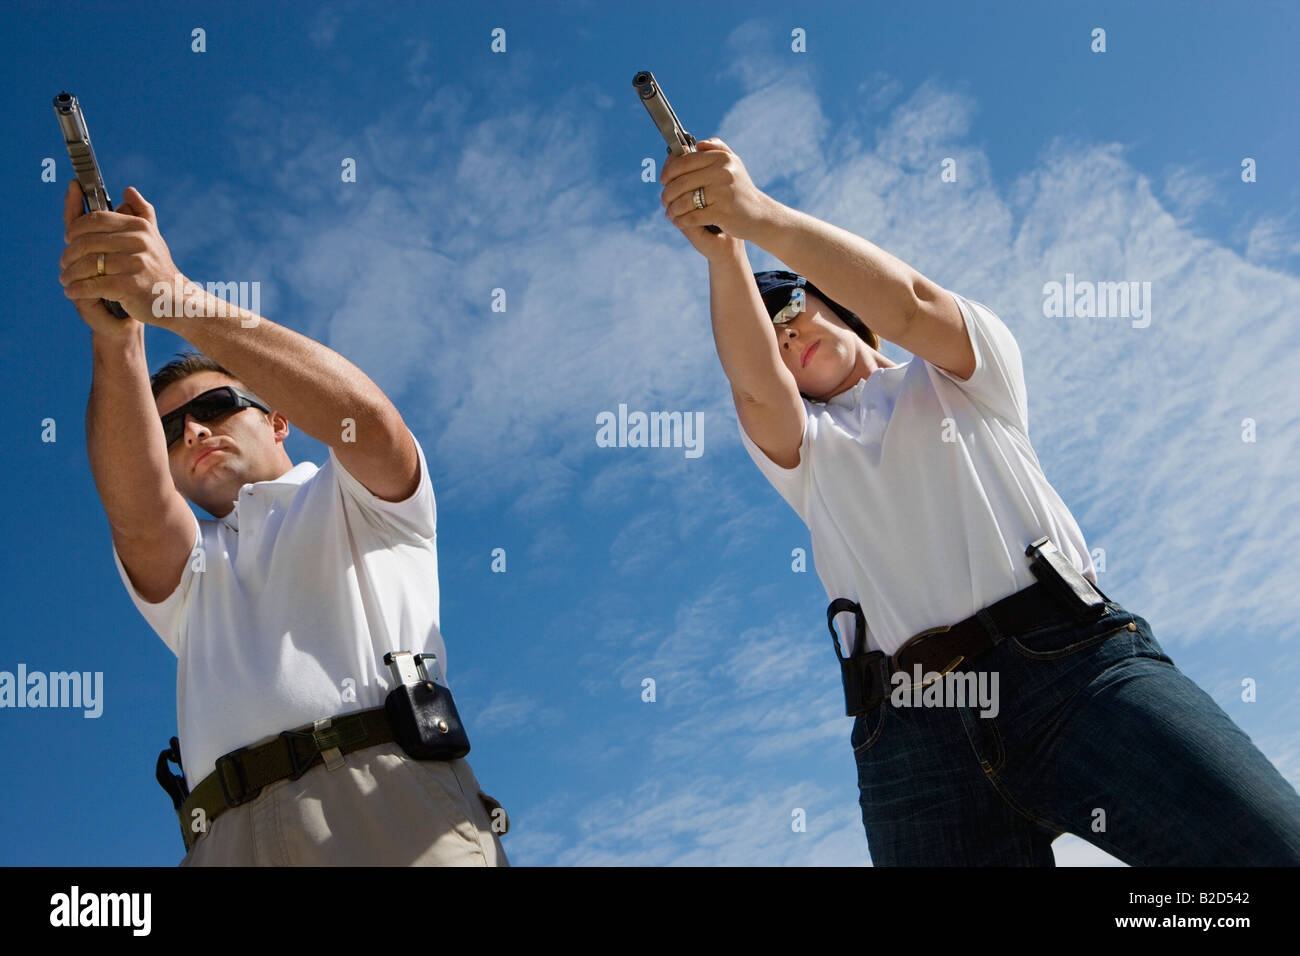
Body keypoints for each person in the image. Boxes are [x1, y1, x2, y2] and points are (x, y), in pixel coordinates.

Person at [659, 137, 1300, 865]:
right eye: (766, 335)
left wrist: (757, 216)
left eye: (795, 311)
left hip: (1072, 672)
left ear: (845, 311)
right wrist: (724, 256)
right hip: (911, 735)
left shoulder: (963, 371)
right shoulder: (807, 452)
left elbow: (910, 302)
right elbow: (754, 390)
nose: (783, 335)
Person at [59, 180, 508, 866]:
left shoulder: (357, 499)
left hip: (390, 806)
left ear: (277, 420)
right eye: (171, 426)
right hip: (224, 839)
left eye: (214, 406)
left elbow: (375, 426)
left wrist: (174, 297)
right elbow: (140, 520)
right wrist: (117, 333)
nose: (193, 432)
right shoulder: (194, 569)